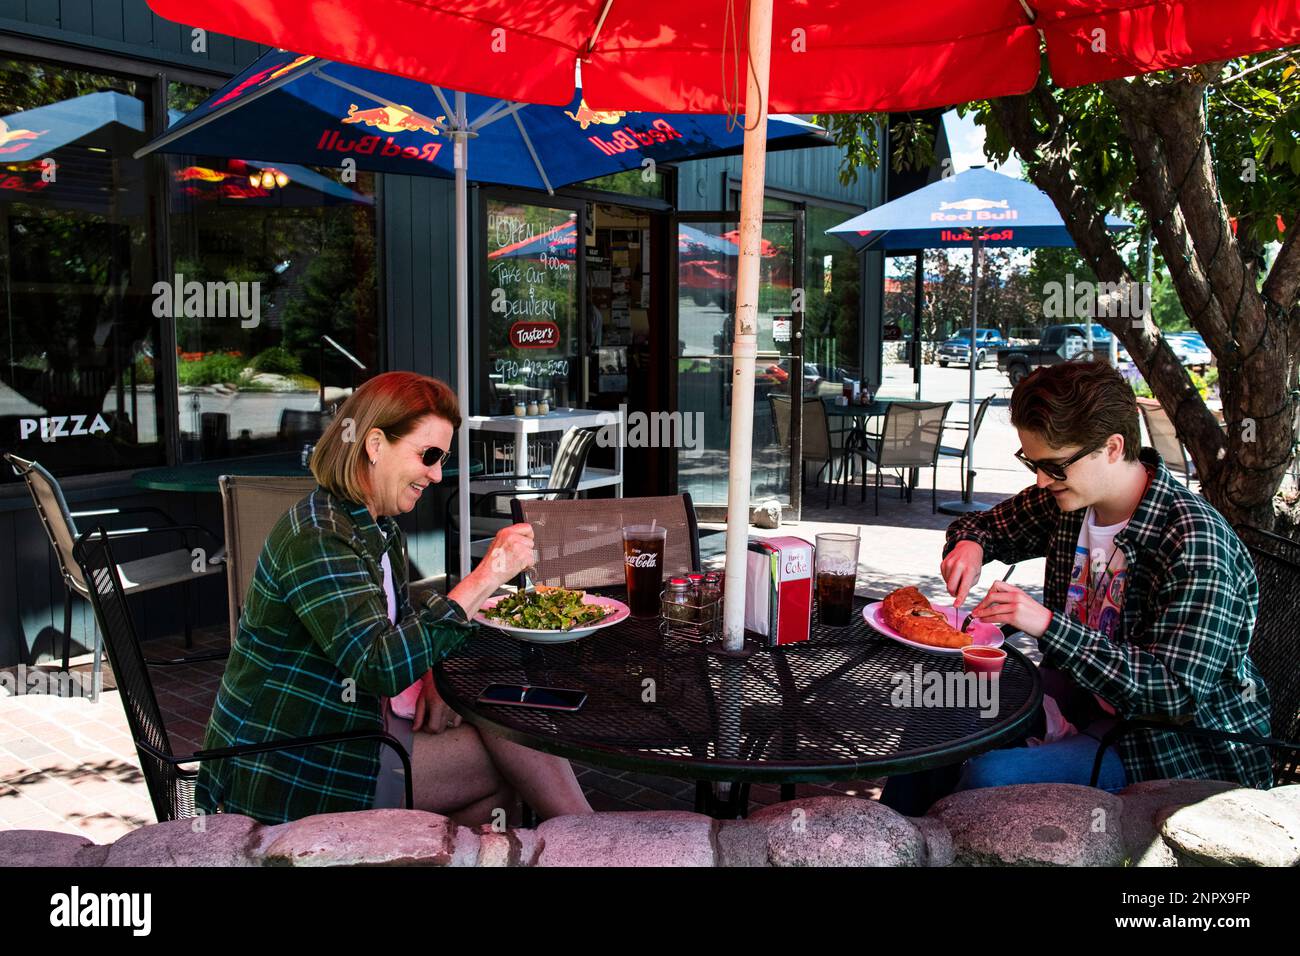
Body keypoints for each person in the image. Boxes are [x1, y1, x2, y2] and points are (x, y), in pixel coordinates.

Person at [196, 372, 592, 825]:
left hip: (355, 731)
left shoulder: (379, 527)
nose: (438, 474)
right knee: (509, 749)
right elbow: (379, 665)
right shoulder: (319, 536)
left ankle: (581, 837)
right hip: (295, 762)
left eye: (442, 458)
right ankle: (592, 841)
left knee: (493, 772)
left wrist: (431, 679)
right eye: (428, 455)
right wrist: (490, 573)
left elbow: (395, 632)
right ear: (375, 444)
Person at [882, 359, 1271, 812]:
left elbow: (1172, 695)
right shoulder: (1070, 499)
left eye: (1054, 465)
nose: (1041, 480)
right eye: (1032, 462)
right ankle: (892, 842)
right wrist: (970, 544)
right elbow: (987, 525)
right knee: (941, 708)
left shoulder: (1193, 542)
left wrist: (1046, 625)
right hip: (1081, 698)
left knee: (988, 778)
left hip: (1168, 749)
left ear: (1111, 447)